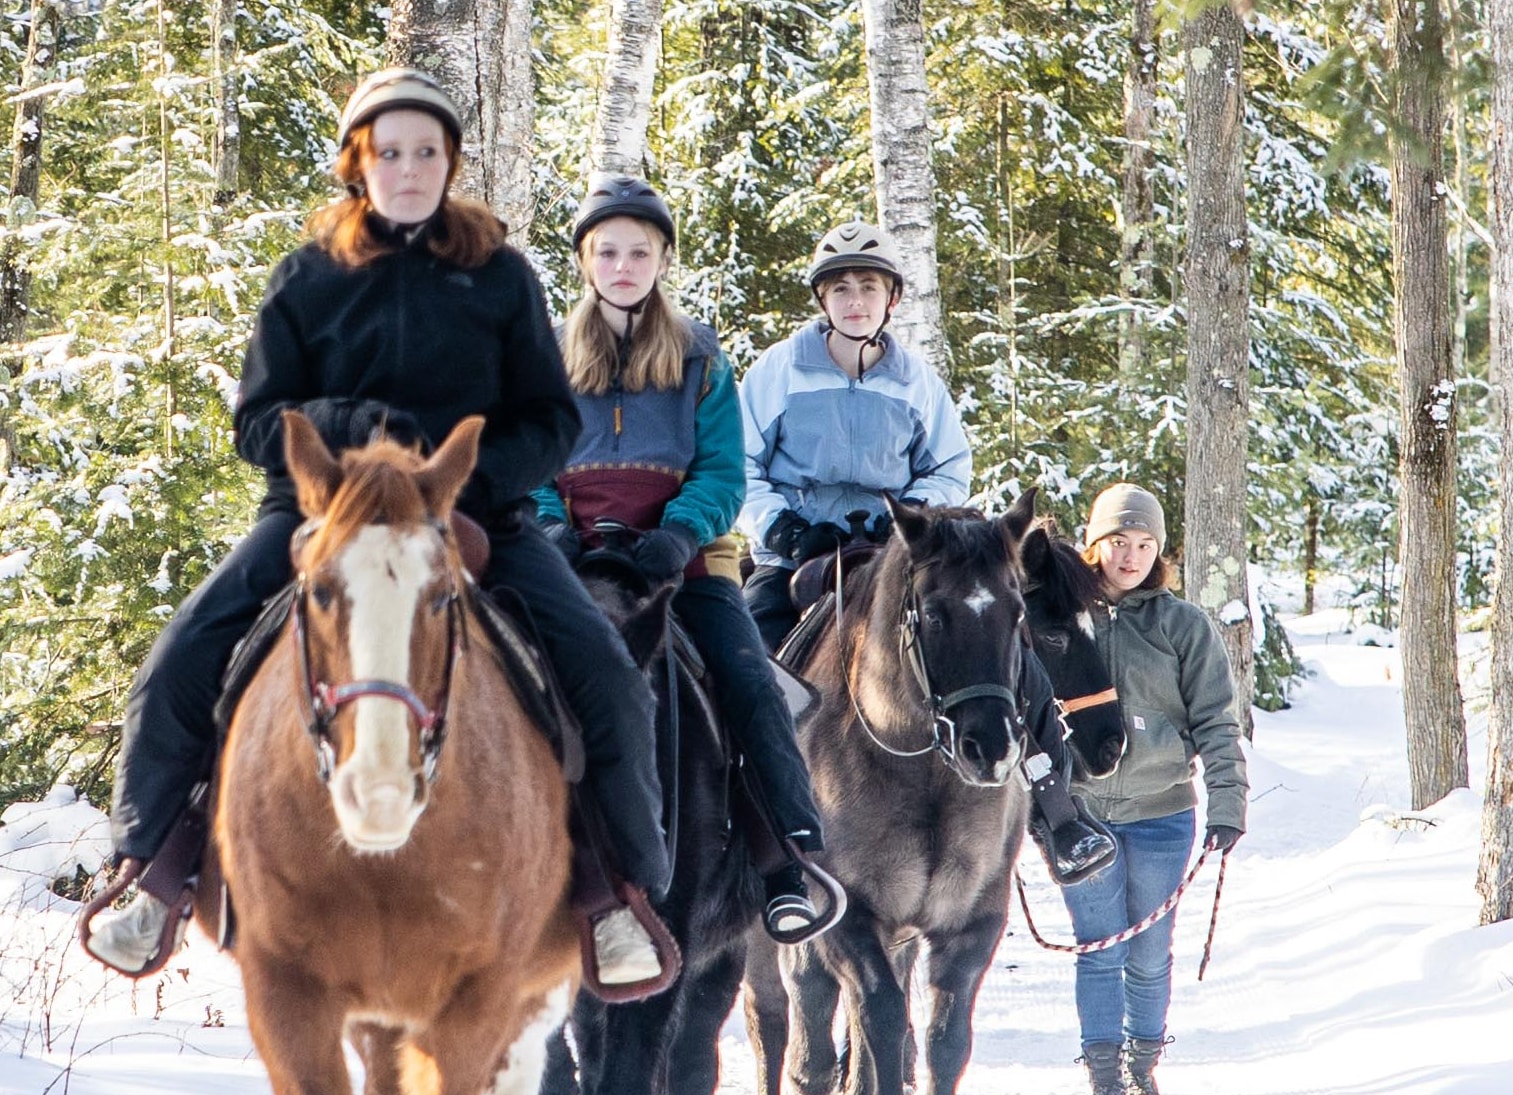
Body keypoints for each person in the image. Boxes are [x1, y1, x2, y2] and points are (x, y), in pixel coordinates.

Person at [85, 69, 671, 989]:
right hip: (319, 513)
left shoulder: (502, 278)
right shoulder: (307, 277)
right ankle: (150, 871)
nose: (408, 170)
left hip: (473, 516)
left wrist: (463, 481)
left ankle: (618, 895)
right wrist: (352, 429)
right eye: (388, 152)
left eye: (425, 152)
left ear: (450, 164)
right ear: (359, 164)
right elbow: (256, 420)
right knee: (183, 653)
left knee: (604, 673)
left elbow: (550, 421)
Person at [736, 219, 1115, 885]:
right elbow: (740, 464)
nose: (856, 300)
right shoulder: (776, 372)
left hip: (902, 550)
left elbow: (947, 467)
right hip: (801, 549)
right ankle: (743, 820)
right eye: (842, 288)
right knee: (745, 649)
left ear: (890, 300)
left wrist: (912, 521)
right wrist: (783, 526)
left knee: (1000, 641)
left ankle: (1059, 814)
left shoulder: (914, 381)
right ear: (822, 299)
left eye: (869, 287)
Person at [538, 173, 828, 940]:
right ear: (585, 262)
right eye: (607, 252)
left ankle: (785, 861)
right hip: (574, 565)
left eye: (639, 251)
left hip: (683, 566)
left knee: (747, 679)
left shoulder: (700, 355)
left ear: (662, 259)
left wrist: (679, 531)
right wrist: (552, 530)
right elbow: (526, 466)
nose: (623, 266)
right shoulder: (545, 358)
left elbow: (724, 470)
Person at [1060, 483, 1248, 1095]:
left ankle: (1143, 1070)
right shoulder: (1063, 620)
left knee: (1147, 949)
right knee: (1098, 948)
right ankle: (1103, 1083)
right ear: (1094, 544)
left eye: (1144, 544)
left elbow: (1218, 722)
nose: (1131, 554)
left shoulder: (1182, 625)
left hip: (1162, 814)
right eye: (1118, 540)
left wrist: (1227, 802)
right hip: (1080, 815)